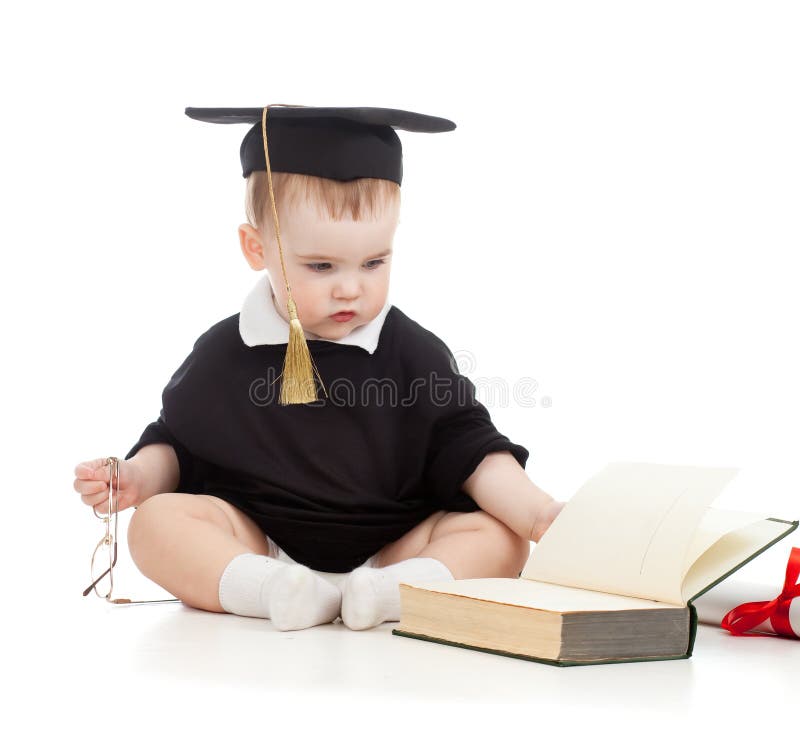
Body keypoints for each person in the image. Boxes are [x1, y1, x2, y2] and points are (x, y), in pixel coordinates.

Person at [73, 105, 566, 632]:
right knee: (155, 524)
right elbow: (178, 441)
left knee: (500, 538)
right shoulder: (225, 351)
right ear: (257, 248)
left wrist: (540, 515)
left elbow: (471, 449)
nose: (350, 288)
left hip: (395, 551)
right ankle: (277, 593)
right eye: (321, 266)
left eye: (373, 263)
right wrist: (137, 477)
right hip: (259, 546)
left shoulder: (413, 353)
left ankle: (390, 595)